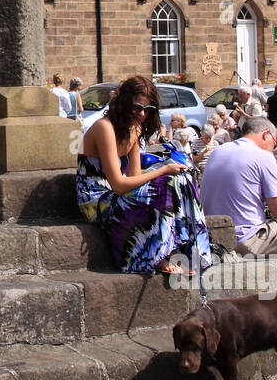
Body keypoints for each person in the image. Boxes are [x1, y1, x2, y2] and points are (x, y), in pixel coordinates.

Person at [75, 74, 211, 277]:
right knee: (169, 181)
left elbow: (134, 176)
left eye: (148, 110)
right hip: (96, 198)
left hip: (115, 192)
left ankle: (190, 250)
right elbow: (119, 184)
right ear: (124, 103)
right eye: (137, 107)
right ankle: (156, 255)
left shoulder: (134, 129)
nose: (142, 114)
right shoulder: (105, 127)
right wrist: (162, 171)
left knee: (183, 179)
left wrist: (164, 174)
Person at [199, 116, 277, 261]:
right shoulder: (263, 156)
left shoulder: (218, 152)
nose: (273, 147)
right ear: (266, 134)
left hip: (213, 238)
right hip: (245, 240)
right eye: (274, 142)